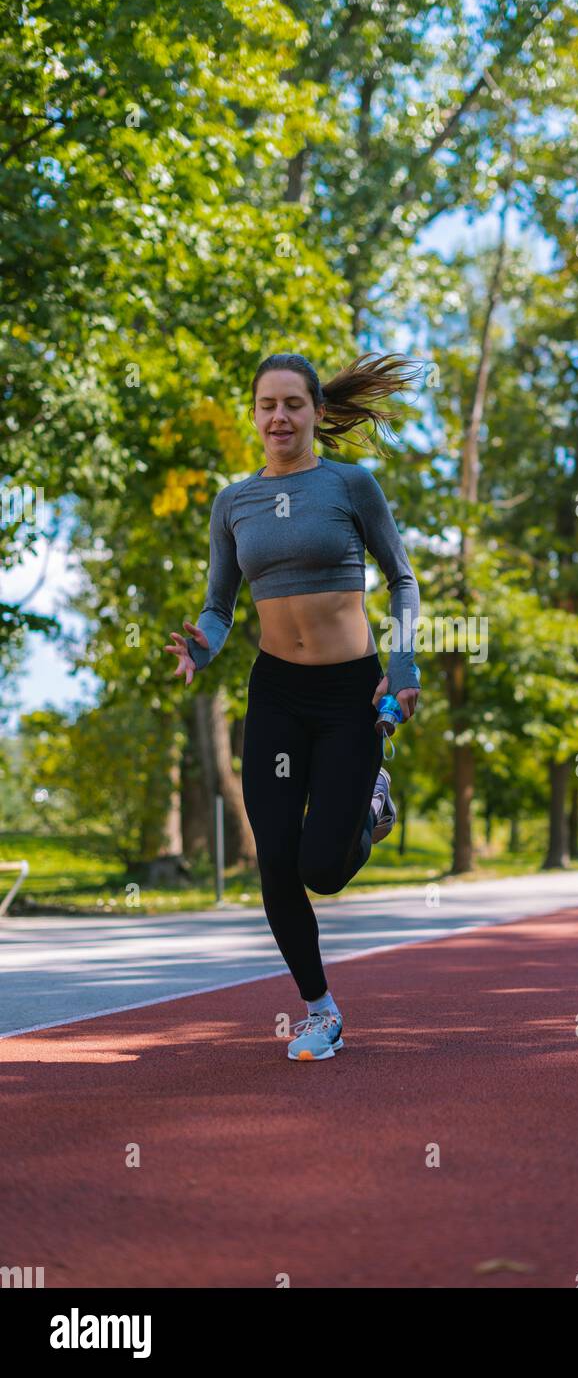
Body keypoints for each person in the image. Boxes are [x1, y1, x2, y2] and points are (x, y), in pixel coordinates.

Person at [164, 352, 423, 1061]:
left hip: (350, 694)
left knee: (323, 870)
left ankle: (371, 802)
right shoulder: (233, 502)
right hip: (277, 692)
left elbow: (401, 579)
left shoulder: (350, 484)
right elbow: (219, 607)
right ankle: (320, 1010)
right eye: (266, 405)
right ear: (254, 414)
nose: (279, 417)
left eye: (292, 404)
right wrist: (202, 648)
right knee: (276, 858)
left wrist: (402, 663)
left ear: (316, 412)